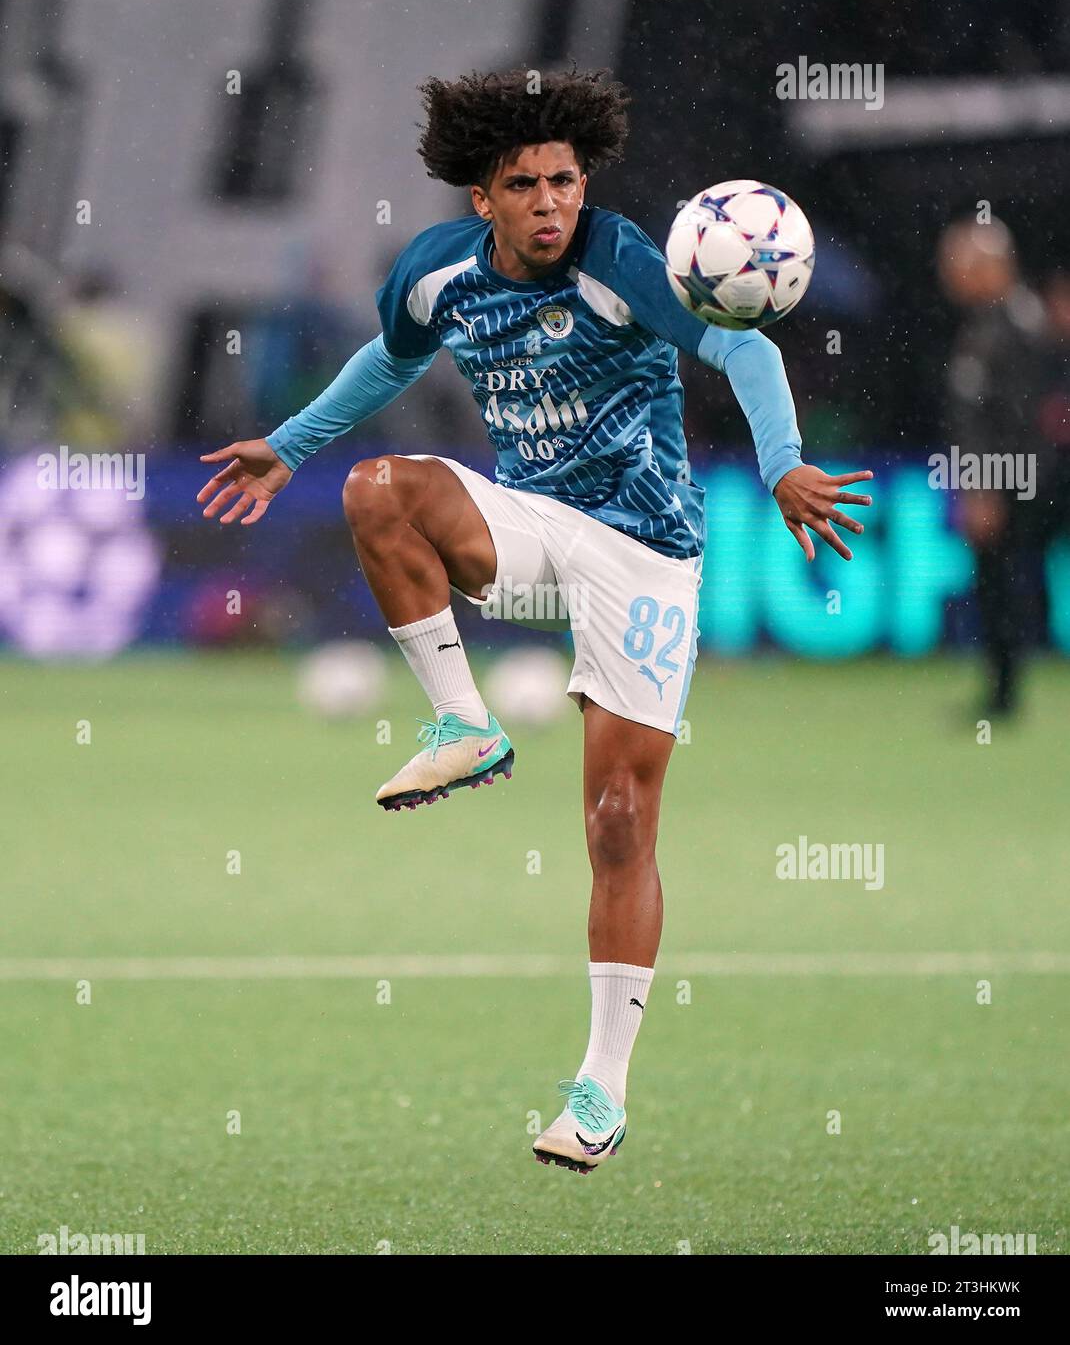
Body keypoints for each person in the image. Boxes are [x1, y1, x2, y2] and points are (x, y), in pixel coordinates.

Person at [197, 68, 872, 1174]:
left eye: (565, 179)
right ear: (484, 199)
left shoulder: (623, 262)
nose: (552, 201)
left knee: (616, 822)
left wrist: (783, 463)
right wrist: (290, 442)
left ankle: (599, 1092)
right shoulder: (436, 272)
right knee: (379, 492)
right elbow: (390, 358)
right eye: (526, 184)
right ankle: (462, 721)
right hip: (528, 523)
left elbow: (742, 345)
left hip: (645, 554)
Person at [937, 219, 1061, 715]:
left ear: (989, 267)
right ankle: (1000, 692)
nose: (949, 277)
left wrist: (987, 489)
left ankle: (1005, 697)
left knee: (1005, 582)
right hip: (1008, 477)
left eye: (958, 265)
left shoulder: (1014, 326)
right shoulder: (998, 321)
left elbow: (1012, 422)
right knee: (998, 583)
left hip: (1014, 481)